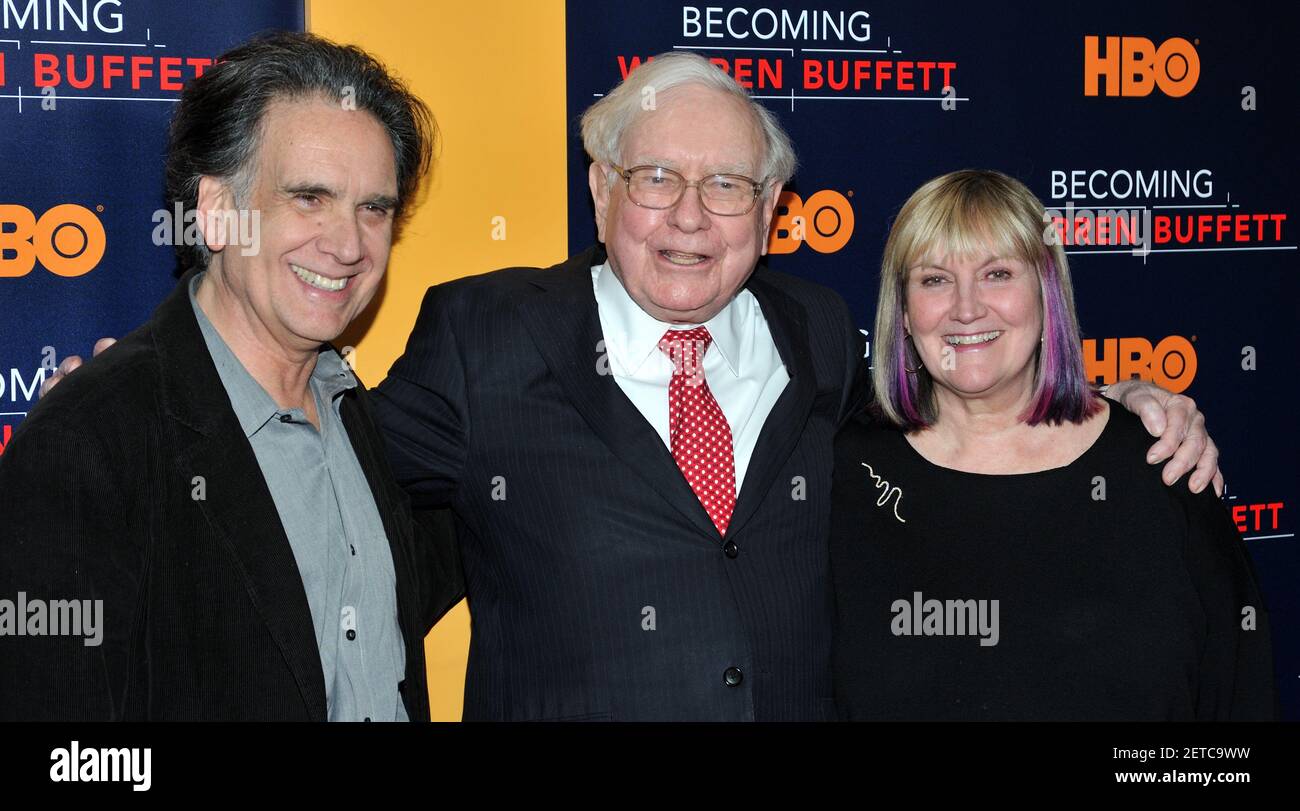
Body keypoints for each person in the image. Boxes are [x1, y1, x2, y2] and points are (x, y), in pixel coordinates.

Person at [35, 53, 1220, 721]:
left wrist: (1119, 408)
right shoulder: (480, 338)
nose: (690, 218)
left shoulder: (815, 335)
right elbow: (304, 471)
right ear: (597, 190)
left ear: (772, 213)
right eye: (655, 177)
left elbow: (954, 417)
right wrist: (151, 392)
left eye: (727, 187)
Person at [0, 32, 462, 721]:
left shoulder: (351, 413)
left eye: (374, 207)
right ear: (216, 212)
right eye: (310, 198)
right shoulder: (93, 439)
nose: (348, 244)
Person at [829, 170, 1276, 720]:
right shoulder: (846, 472)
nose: (967, 308)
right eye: (935, 280)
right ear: (903, 311)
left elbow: (1236, 699)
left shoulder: (1160, 463)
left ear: (1047, 293)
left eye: (997, 273)